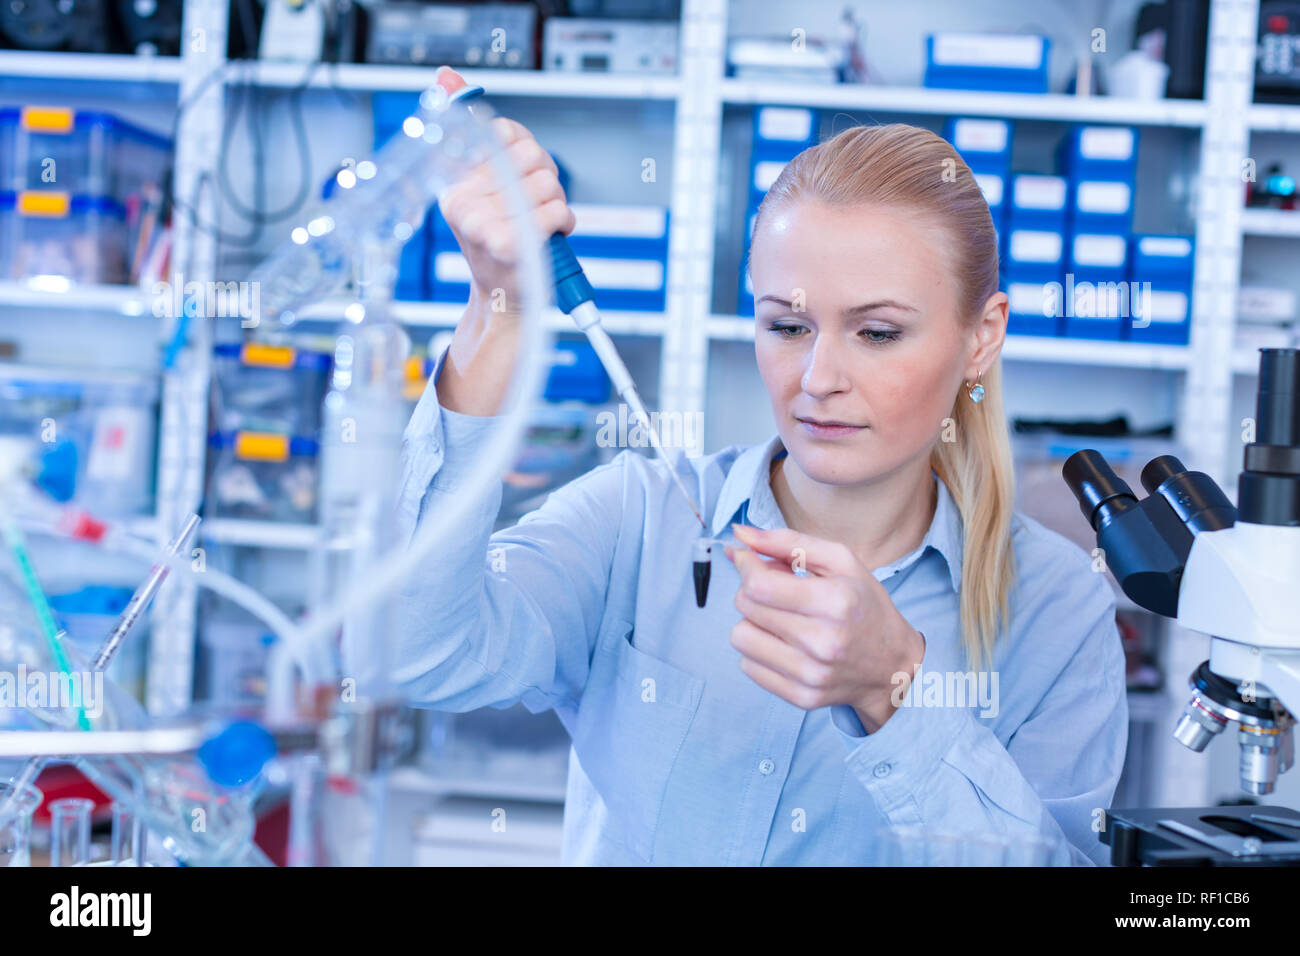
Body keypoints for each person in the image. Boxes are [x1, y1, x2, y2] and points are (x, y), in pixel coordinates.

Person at [395, 77, 1129, 865]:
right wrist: (496, 306)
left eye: (877, 333)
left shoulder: (1058, 612)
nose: (817, 377)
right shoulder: (637, 521)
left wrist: (894, 691)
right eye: (787, 324)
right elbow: (417, 654)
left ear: (981, 337)